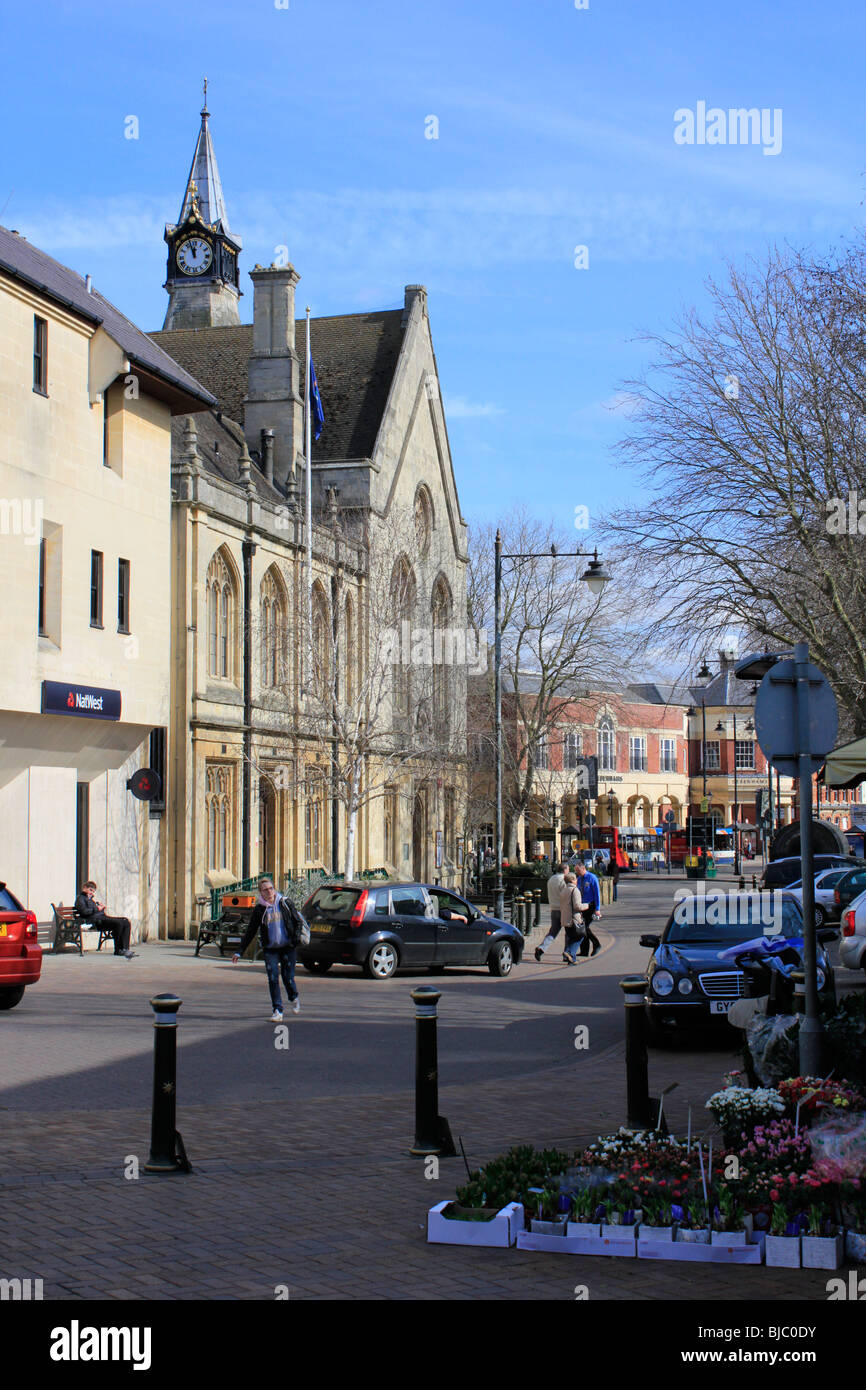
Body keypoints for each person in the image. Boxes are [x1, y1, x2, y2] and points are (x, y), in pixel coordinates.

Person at [233, 878, 304, 1020]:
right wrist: (239, 951)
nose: (269, 892)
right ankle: (277, 1010)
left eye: (271, 888)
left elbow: (297, 922)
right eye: (265, 890)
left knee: (288, 978)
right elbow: (251, 931)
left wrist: (294, 940)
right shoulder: (260, 909)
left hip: (287, 947)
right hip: (270, 948)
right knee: (272, 978)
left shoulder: (285, 903)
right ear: (261, 892)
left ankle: (293, 997)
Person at [74, 881, 136, 958]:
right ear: (84, 888)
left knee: (125, 921)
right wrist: (97, 909)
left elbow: (95, 910)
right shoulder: (80, 899)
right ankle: (118, 950)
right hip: (95, 922)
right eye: (90, 890)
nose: (91, 893)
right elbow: (84, 912)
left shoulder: (90, 900)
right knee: (118, 923)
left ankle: (125, 948)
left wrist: (101, 908)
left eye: (93, 891)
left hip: (102, 918)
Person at [571, 861, 602, 960]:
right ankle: (584, 950)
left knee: (584, 928)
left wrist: (597, 909)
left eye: (578, 871)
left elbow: (597, 893)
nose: (577, 873)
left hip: (590, 906)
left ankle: (596, 944)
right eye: (576, 871)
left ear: (583, 868)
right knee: (582, 928)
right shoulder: (579, 879)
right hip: (582, 906)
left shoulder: (592, 878)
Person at [535, 862, 566, 961]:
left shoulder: (551, 879)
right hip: (563, 909)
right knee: (570, 932)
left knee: (553, 931)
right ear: (565, 870)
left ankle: (541, 948)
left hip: (553, 908)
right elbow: (566, 894)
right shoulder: (563, 880)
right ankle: (568, 953)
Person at [559, 872, 587, 964]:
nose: (577, 880)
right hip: (573, 919)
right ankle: (569, 953)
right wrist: (586, 906)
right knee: (580, 936)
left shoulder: (563, 890)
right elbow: (577, 906)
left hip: (565, 918)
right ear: (572, 880)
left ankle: (572, 959)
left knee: (571, 937)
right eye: (575, 879)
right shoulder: (575, 890)